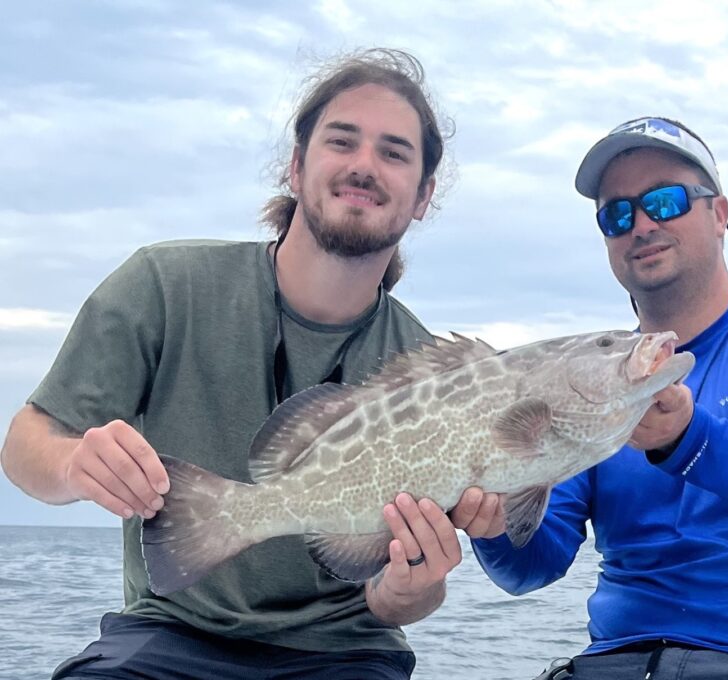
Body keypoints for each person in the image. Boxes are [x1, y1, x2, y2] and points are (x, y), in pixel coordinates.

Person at [1, 48, 464, 680]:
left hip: (346, 649)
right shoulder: (163, 284)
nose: (363, 166)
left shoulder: (432, 372)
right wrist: (72, 465)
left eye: (393, 152)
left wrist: (415, 588)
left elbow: (390, 601)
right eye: (342, 141)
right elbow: (26, 445)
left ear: (423, 196)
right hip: (168, 631)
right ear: (296, 168)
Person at [458, 117, 728, 680]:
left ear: (720, 214)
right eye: (616, 214)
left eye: (665, 201)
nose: (640, 224)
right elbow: (534, 564)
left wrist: (688, 439)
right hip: (615, 663)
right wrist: (489, 524)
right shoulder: (593, 379)